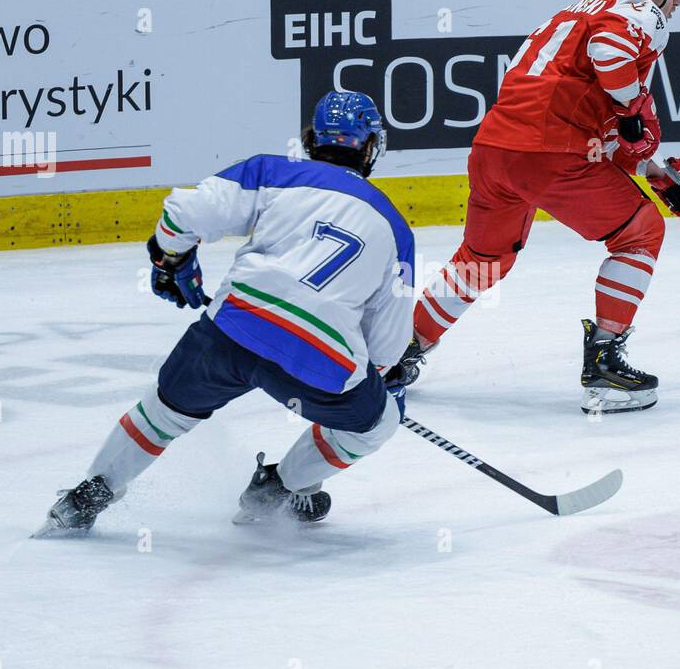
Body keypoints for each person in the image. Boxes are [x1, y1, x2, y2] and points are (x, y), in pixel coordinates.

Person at [35, 91, 413, 535]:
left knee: (163, 413)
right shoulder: (396, 229)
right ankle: (278, 490)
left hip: (231, 330)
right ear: (370, 146)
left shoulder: (273, 171)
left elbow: (183, 213)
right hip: (318, 358)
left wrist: (170, 259)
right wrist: (382, 381)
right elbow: (386, 342)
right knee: (378, 423)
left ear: (311, 139)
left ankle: (85, 498)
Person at [388, 0, 680, 414]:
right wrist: (630, 108)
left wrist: (660, 174)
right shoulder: (639, 12)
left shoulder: (572, 14)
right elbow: (610, 56)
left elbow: (607, 129)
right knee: (641, 233)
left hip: (496, 150)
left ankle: (401, 353)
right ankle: (605, 360)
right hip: (551, 152)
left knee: (483, 259)